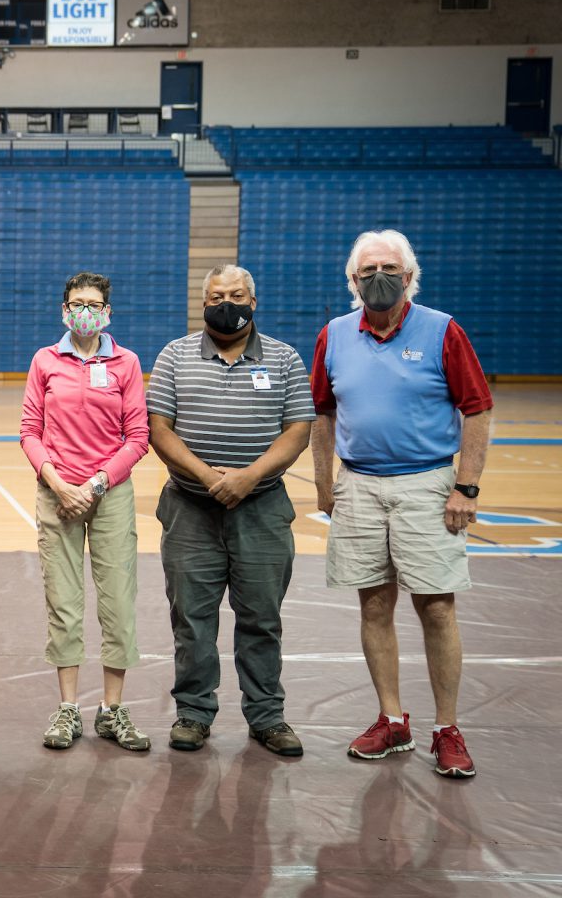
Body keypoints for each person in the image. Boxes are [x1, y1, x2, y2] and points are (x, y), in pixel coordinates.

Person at [310, 230, 491, 778]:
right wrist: (325, 486)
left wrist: (467, 486)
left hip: (427, 487)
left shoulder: (442, 330)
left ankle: (447, 727)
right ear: (353, 281)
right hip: (359, 486)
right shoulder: (334, 335)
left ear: (409, 277)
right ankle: (392, 719)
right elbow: (323, 414)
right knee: (373, 605)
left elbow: (477, 409)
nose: (378, 278)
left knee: (436, 607)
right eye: (367, 271)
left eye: (389, 268)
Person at [147, 265, 314, 757]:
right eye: (217, 295)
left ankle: (267, 716)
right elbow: (159, 428)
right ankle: (194, 713)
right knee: (192, 618)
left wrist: (248, 476)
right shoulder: (175, 355)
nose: (227, 302)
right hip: (190, 509)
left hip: (261, 507)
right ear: (203, 302)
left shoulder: (283, 358)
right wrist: (207, 476)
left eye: (237, 294)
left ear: (253, 301)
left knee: (261, 617)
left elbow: (299, 428)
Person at [19, 272, 152, 752]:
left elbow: (138, 437)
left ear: (108, 313)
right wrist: (58, 482)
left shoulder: (127, 363)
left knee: (117, 599)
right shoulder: (45, 361)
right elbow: (30, 431)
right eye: (77, 303)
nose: (86, 312)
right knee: (64, 601)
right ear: (64, 310)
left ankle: (112, 710)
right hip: (56, 492)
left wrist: (95, 484)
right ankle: (68, 708)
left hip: (108, 494)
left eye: (94, 304)